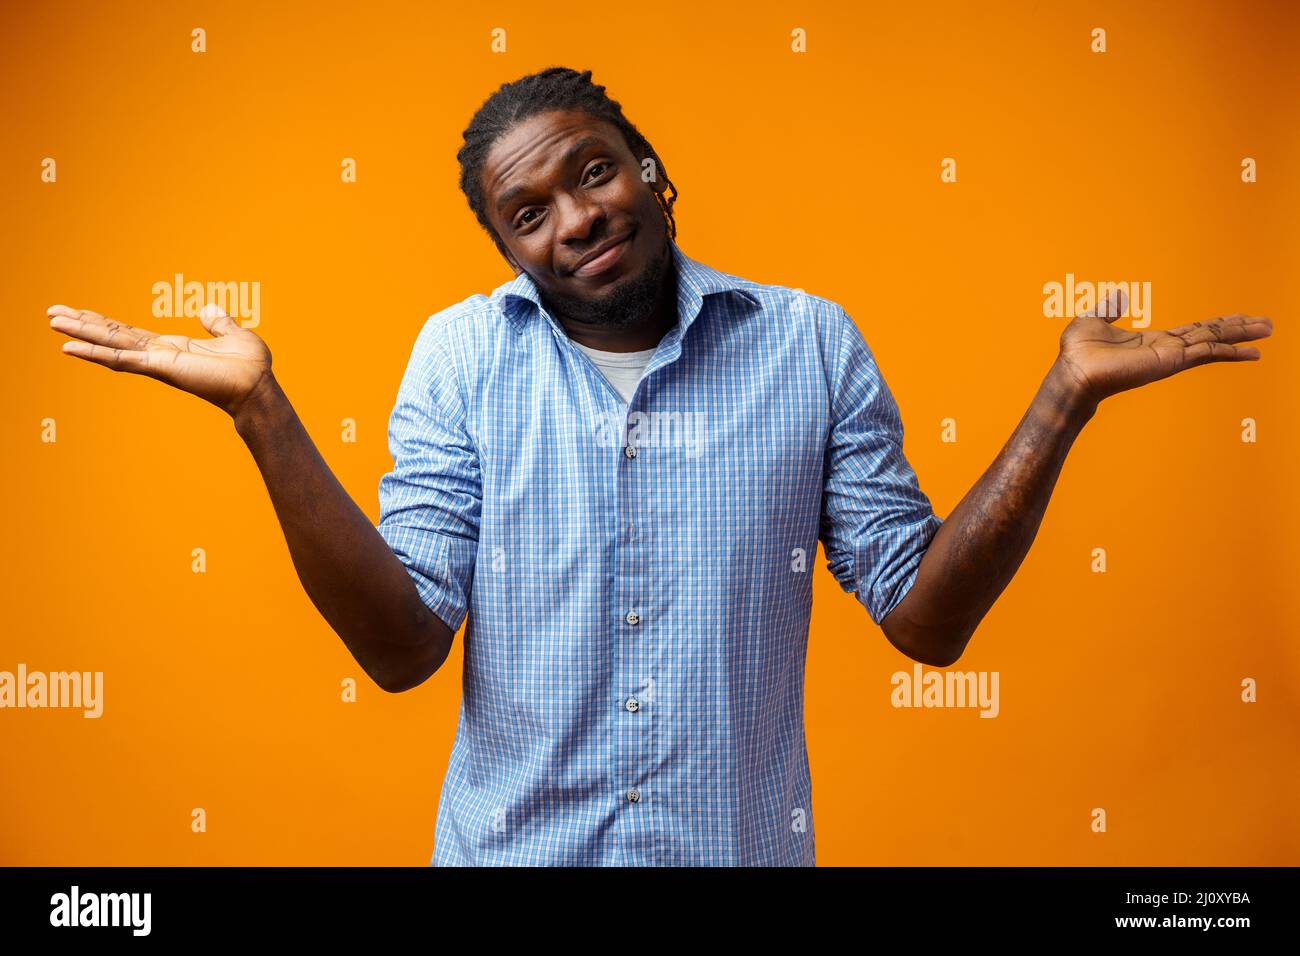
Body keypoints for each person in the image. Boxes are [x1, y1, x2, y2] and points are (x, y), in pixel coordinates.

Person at [46, 67, 1272, 866]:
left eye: (592, 170)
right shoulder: (460, 357)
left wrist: (1062, 399)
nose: (574, 216)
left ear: (650, 172)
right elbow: (404, 646)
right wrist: (261, 410)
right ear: (509, 249)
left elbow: (926, 618)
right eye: (528, 213)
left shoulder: (808, 343)